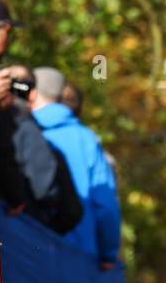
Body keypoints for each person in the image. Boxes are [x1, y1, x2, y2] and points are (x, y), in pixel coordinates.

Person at [29, 66, 121, 268]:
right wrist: (108, 254)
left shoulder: (20, 128)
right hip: (80, 253)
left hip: (27, 247)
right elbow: (105, 203)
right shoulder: (86, 139)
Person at [0, 63, 82, 235]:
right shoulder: (28, 128)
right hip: (25, 226)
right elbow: (46, 191)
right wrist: (18, 200)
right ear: (32, 94)